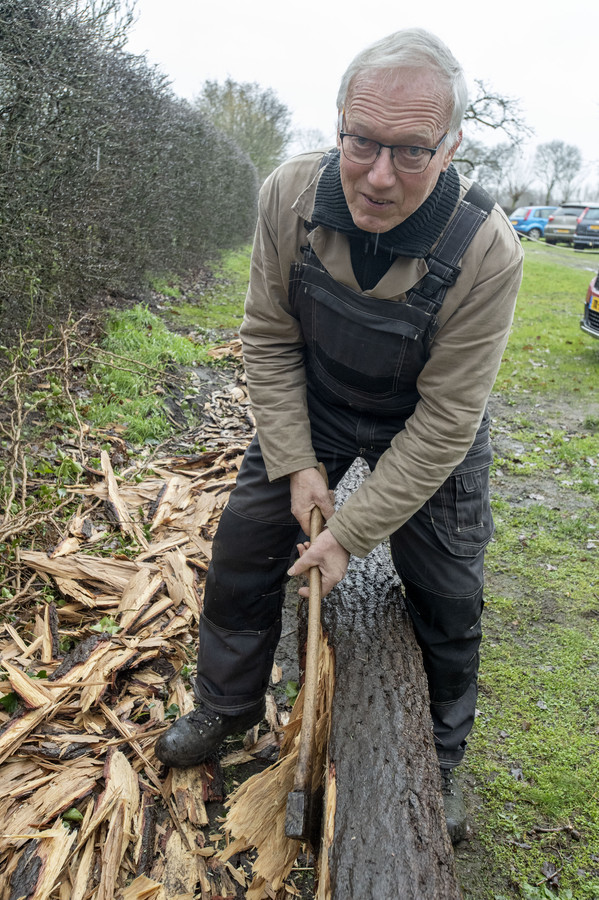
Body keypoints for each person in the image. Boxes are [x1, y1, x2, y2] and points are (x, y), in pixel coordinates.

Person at [155, 27, 523, 842]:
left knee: (449, 594)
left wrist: (351, 533)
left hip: (426, 422)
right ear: (337, 124)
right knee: (245, 551)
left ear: (452, 146)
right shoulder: (288, 196)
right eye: (361, 142)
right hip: (315, 399)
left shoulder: (485, 250)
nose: (379, 175)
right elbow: (267, 335)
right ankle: (225, 707)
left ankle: (439, 759)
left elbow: (447, 419)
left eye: (411, 152)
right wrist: (292, 462)